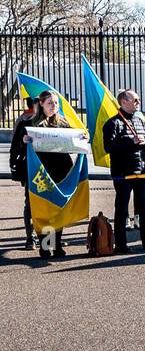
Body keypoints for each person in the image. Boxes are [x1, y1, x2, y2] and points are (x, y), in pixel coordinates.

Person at [21, 92, 84, 258]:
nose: (54, 106)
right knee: (42, 209)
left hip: (61, 171)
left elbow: (74, 143)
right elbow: (17, 150)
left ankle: (56, 245)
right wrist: (25, 142)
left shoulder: (63, 122)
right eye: (50, 103)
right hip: (39, 172)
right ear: (41, 103)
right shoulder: (29, 124)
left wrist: (82, 138)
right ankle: (44, 245)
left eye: (56, 103)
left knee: (58, 207)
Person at [102, 89, 145, 254]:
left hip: (142, 171)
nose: (138, 103)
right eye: (135, 100)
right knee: (122, 211)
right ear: (124, 102)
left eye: (138, 100)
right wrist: (131, 141)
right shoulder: (113, 123)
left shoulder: (141, 122)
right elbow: (108, 147)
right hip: (123, 173)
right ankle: (121, 245)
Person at [8, 94, 39, 249]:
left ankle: (50, 240)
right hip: (31, 169)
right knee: (31, 202)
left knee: (51, 203)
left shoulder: (58, 122)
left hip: (52, 169)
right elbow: (15, 146)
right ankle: (30, 238)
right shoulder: (24, 122)